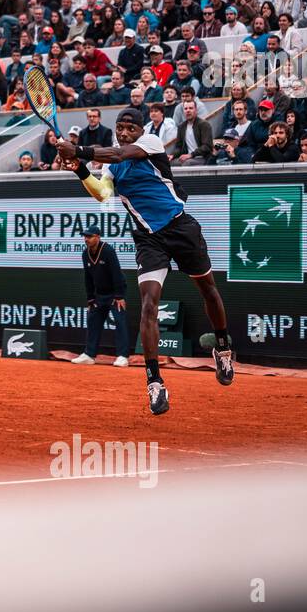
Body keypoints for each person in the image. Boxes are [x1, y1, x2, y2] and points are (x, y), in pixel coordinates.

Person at [56, 107, 233, 415]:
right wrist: (80, 169)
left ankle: (222, 347)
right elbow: (102, 194)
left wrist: (80, 150)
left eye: (130, 128)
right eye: (120, 128)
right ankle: (154, 382)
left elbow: (121, 154)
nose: (124, 132)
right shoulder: (111, 169)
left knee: (208, 290)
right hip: (149, 239)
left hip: (181, 228)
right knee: (149, 304)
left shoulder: (150, 143)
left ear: (140, 131)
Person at [71, 225, 131, 368]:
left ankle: (123, 356)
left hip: (115, 295)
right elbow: (88, 277)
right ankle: (89, 355)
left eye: (89, 237)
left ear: (98, 237)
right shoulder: (85, 254)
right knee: (93, 322)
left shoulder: (108, 251)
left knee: (120, 323)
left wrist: (119, 296)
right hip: (99, 295)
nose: (86, 239)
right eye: (85, 237)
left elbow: (117, 273)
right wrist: (90, 298)